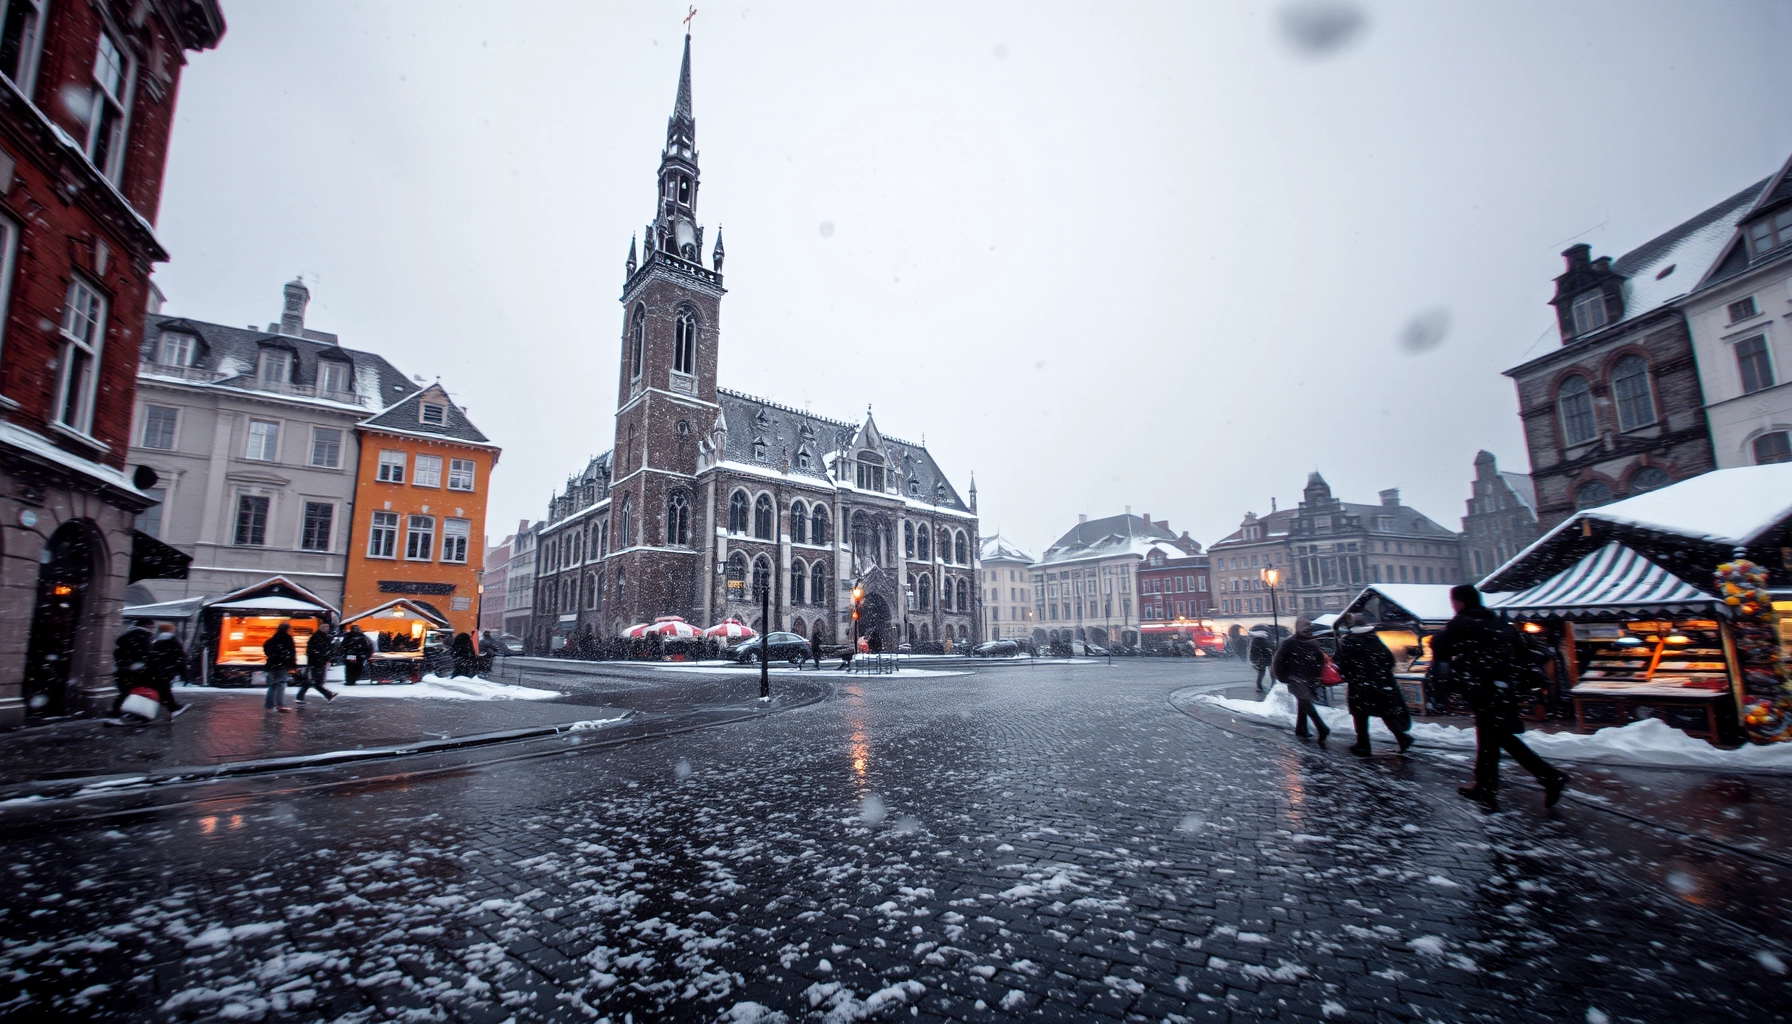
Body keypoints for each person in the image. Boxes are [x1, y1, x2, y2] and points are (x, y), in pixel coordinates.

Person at [1433, 584, 1568, 811]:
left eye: (1453, 601)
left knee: (1499, 737)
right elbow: (1521, 654)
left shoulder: (1462, 623)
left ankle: (1549, 776)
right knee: (1489, 738)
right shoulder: (1497, 622)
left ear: (1460, 602)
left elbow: (1440, 647)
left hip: (1483, 688)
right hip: (1504, 688)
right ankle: (1485, 786)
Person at [1334, 614, 1412, 756]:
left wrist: (1347, 674)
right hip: (1382, 683)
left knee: (1360, 715)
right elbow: (1389, 660)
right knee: (1385, 712)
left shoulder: (1349, 641)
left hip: (1361, 685)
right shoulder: (1374, 638)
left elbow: (1342, 663)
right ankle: (1402, 738)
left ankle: (1363, 744)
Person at [1271, 617, 1330, 744]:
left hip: (1299, 678)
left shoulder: (1295, 642)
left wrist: (1282, 676)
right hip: (1300, 678)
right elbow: (1320, 662)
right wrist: (1283, 676)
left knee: (1303, 702)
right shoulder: (1305, 642)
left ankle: (1318, 727)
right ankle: (1305, 729)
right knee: (1303, 701)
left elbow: (1278, 661)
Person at [111, 618, 156, 715]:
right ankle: (117, 714)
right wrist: (140, 663)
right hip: (137, 669)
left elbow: (117, 652)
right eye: (151, 626)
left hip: (123, 668)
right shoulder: (144, 636)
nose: (152, 629)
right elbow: (145, 653)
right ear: (147, 626)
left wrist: (122, 663)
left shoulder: (126, 635)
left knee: (126, 691)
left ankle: (120, 712)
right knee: (135, 690)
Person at [147, 623, 186, 717]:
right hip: (167, 669)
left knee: (161, 688)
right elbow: (180, 657)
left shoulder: (157, 642)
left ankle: (170, 706)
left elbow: (152, 657)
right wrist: (182, 672)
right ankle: (172, 707)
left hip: (158, 670)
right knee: (164, 689)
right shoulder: (173, 641)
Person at [294, 627, 336, 703]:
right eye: (326, 629)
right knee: (315, 681)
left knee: (314, 681)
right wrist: (325, 657)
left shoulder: (317, 637)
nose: (327, 631)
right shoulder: (319, 638)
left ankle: (327, 694)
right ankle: (327, 694)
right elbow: (320, 650)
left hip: (316, 662)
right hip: (317, 662)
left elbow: (312, 650)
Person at [263, 622, 297, 713]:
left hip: (272, 664)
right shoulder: (287, 638)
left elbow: (266, 647)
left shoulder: (274, 637)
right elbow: (292, 652)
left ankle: (269, 705)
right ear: (287, 629)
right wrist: (292, 665)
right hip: (282, 664)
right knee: (281, 684)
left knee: (273, 685)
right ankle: (280, 705)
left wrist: (272, 656)